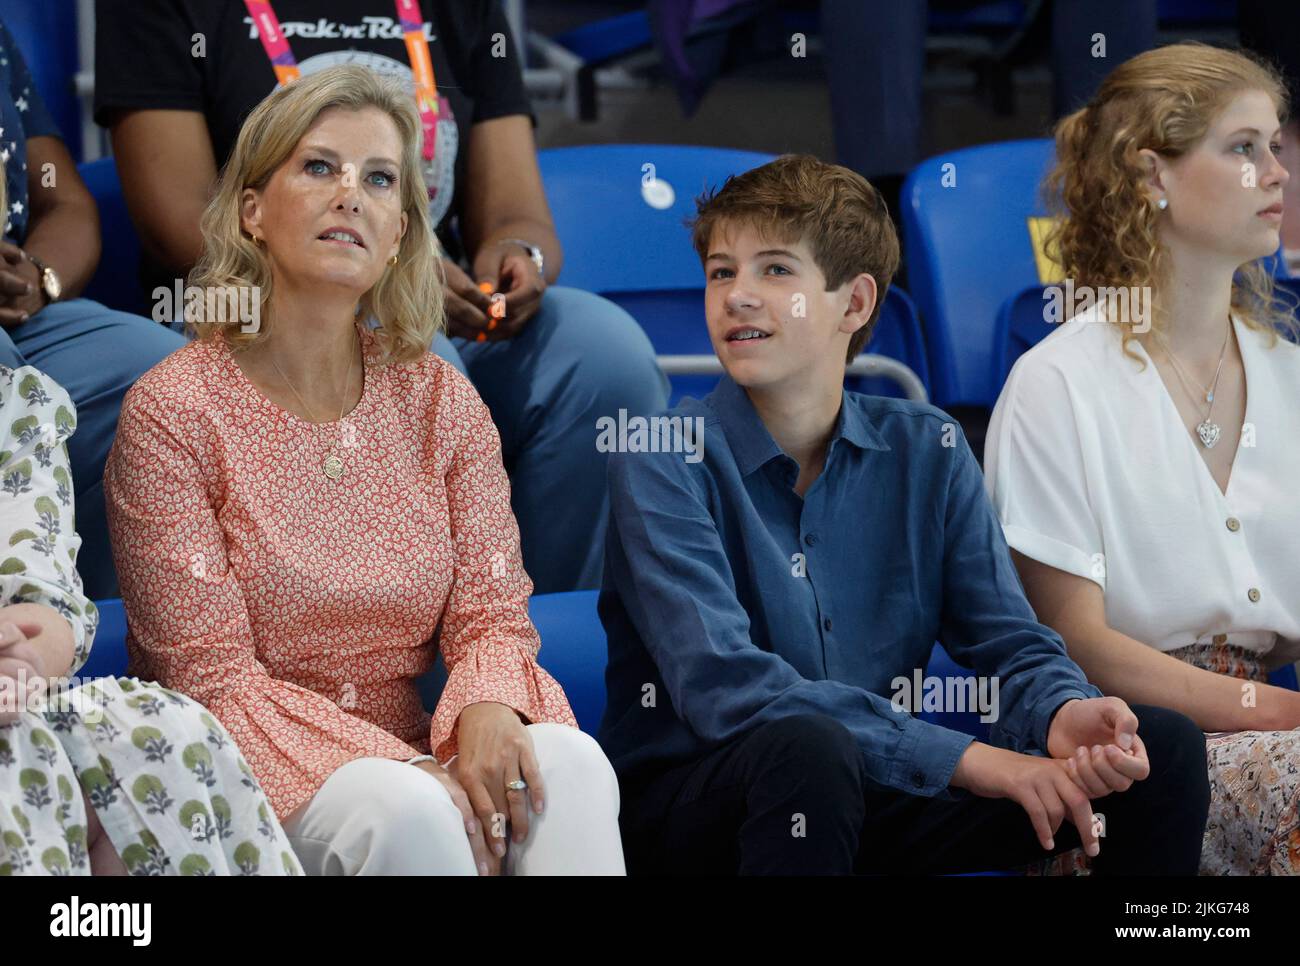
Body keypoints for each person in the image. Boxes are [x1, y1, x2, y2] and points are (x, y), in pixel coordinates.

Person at [598, 153, 1210, 875]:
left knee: (1162, 753)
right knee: (807, 748)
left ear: (855, 304)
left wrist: (1061, 712)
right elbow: (727, 688)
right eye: (722, 272)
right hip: (707, 811)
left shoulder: (931, 447)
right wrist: (977, 761)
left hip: (871, 791)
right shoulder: (662, 456)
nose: (736, 296)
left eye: (775, 270)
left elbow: (1010, 642)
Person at [104, 65, 624, 876]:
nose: (351, 193)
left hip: (413, 752)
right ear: (252, 214)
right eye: (318, 167)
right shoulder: (172, 413)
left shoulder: (438, 397)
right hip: (240, 771)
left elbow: (490, 614)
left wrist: (488, 705)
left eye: (380, 179)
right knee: (410, 811)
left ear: (397, 240)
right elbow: (209, 681)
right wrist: (417, 771)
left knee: (569, 768)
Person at [94, 0, 669, 594]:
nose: (349, 190)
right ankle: (409, 654)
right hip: (266, 306)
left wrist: (517, 255)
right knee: (413, 365)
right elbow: (179, 222)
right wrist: (387, 276)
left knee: (605, 353)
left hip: (439, 292)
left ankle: (544, 633)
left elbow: (514, 212)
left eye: (377, 179)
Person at [986, 43, 1300, 875]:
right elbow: (1074, 639)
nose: (1277, 173)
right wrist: (1275, 711)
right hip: (1130, 749)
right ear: (1150, 174)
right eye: (1243, 148)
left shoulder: (1289, 374)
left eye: (1276, 146)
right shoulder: (1057, 383)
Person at [0, 141, 298, 877]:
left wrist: (40, 643)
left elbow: (45, 593)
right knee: (24, 761)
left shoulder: (17, 406)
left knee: (156, 732)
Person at [0, 18, 186, 601]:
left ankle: (132, 637)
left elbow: (63, 198)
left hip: (20, 305)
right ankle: (33, 631)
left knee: (165, 379)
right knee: (12, 393)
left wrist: (36, 277)